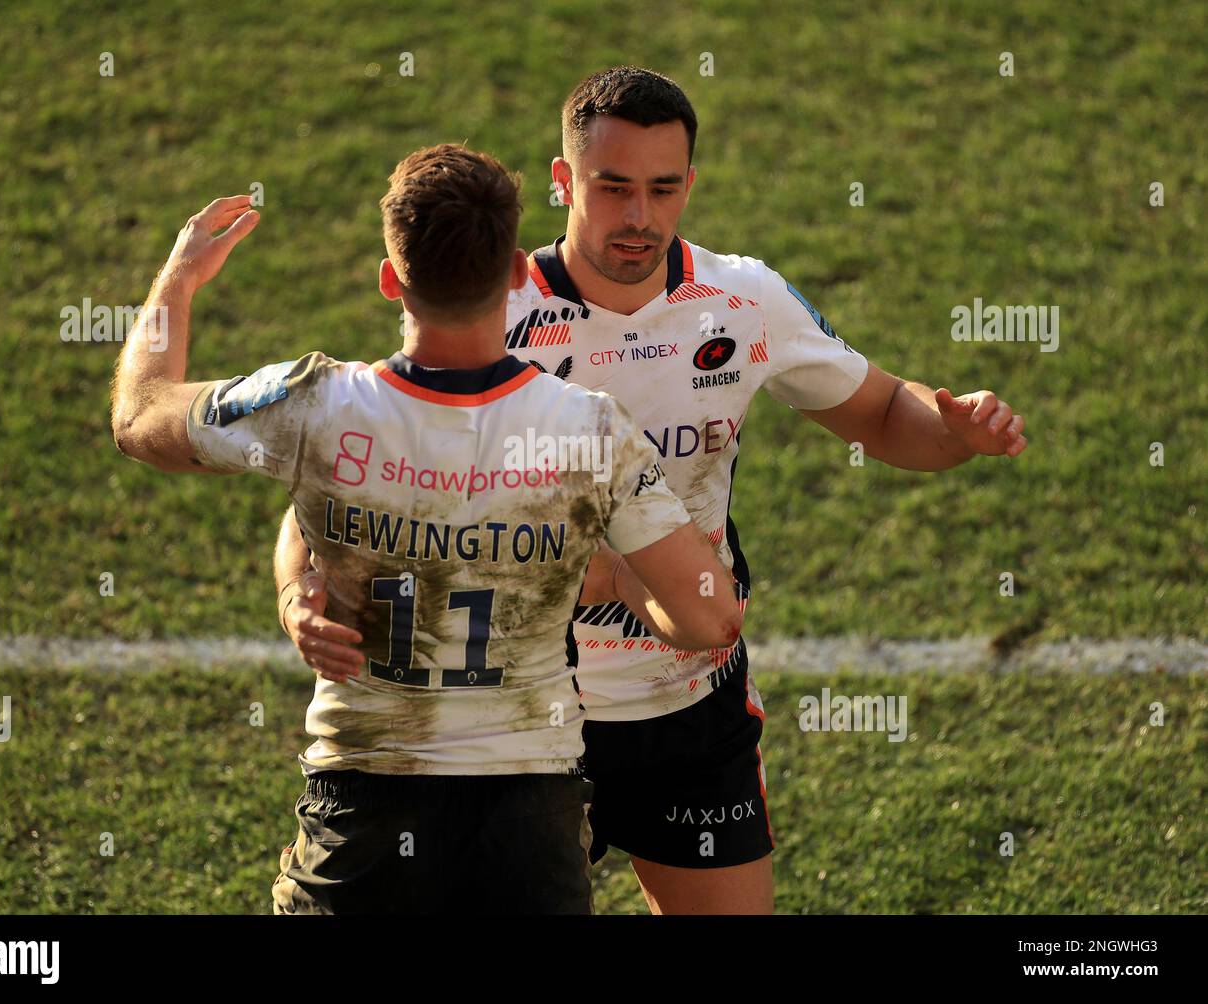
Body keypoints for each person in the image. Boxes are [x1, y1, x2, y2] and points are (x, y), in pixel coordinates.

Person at [275, 67, 1028, 914]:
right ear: (564, 181)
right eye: (614, 187)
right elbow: (355, 458)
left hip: (691, 703)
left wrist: (955, 430)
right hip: (529, 721)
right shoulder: (497, 309)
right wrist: (300, 585)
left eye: (663, 189)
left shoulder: (743, 301)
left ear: (690, 186)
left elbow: (886, 411)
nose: (640, 216)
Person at [110, 144, 742, 914]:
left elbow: (140, 416)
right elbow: (709, 617)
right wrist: (601, 575)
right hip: (527, 827)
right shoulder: (590, 430)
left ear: (390, 280)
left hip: (364, 816)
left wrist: (178, 279)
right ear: (516, 274)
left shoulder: (314, 407)